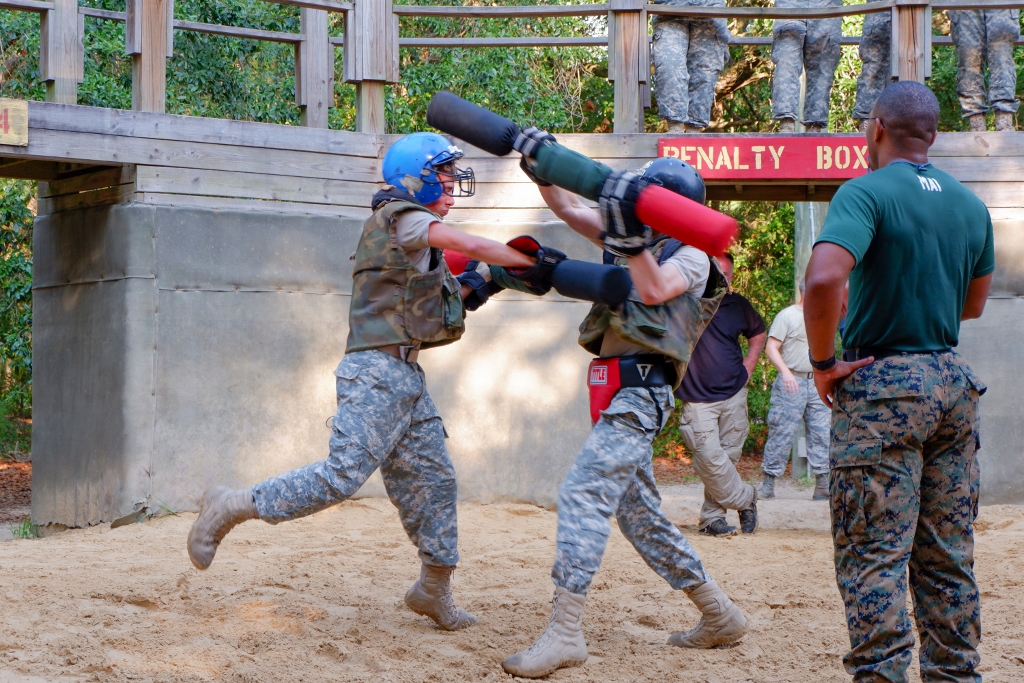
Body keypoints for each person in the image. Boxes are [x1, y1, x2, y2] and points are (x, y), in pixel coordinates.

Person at [184, 132, 549, 632]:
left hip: (404, 376)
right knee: (341, 476)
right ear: (415, 180)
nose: (452, 185)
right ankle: (234, 504)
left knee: (435, 481)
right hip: (376, 374)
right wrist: (521, 260)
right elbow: (468, 243)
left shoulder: (414, 242)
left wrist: (491, 281)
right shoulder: (404, 217)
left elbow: (444, 301)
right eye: (444, 174)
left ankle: (433, 590)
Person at [502, 147, 748, 678]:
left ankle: (566, 633)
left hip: (643, 391)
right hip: (612, 390)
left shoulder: (692, 254)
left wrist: (628, 240)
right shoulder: (636, 241)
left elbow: (656, 287)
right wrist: (538, 167)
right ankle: (719, 613)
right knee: (641, 518)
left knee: (583, 492)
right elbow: (569, 210)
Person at [804, 81, 994, 682]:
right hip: (951, 383)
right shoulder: (970, 205)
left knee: (873, 555)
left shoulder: (864, 193)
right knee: (947, 555)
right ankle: (957, 675)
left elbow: (823, 280)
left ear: (876, 127)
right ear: (931, 134)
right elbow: (973, 307)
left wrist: (822, 361)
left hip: (881, 383)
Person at [675, 253, 765, 536]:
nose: (718, 279)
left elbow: (759, 332)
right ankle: (746, 498)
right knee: (709, 457)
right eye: (714, 273)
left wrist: (750, 364)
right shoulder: (681, 304)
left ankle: (712, 518)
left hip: (733, 392)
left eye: (724, 275)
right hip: (696, 397)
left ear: (731, 279)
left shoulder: (737, 304)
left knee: (728, 457)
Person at [759, 278, 830, 501]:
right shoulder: (787, 315)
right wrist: (786, 372)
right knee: (781, 431)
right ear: (805, 292)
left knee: (822, 433)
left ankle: (823, 486)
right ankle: (768, 484)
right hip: (792, 382)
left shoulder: (825, 315)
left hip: (818, 382)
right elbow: (771, 348)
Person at [652, 0, 732, 133]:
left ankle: (693, 132)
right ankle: (675, 129)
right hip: (669, 8)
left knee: (705, 72)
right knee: (669, 65)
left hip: (710, 10)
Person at [770, 0, 843, 132]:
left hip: (826, 7)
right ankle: (786, 122)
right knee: (786, 63)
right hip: (789, 5)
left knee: (822, 68)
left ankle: (814, 126)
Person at [949, 9, 1020, 132]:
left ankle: (1004, 123)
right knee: (969, 61)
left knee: (1002, 60)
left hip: (1001, 5)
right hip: (965, 5)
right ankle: (976, 125)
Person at [852, 12, 891, 132]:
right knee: (873, 68)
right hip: (879, 13)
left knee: (906, 66)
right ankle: (868, 120)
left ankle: (902, 122)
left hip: (909, 14)